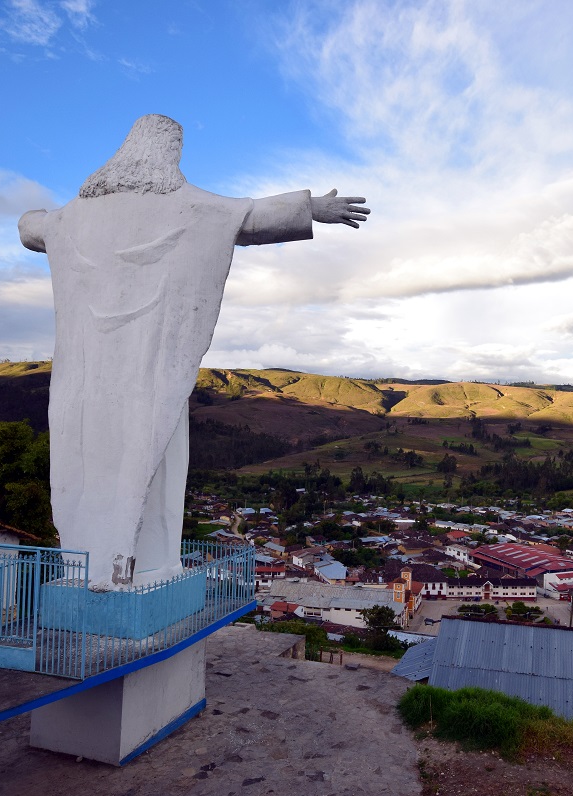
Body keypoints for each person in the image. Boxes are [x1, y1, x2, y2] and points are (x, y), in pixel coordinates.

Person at [18, 114, 369, 588]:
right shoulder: (187, 207)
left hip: (84, 380)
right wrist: (313, 208)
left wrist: (37, 219)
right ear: (168, 153)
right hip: (150, 373)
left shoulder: (70, 217)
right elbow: (248, 217)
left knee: (85, 458)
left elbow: (29, 227)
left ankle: (92, 567)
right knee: (154, 451)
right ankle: (141, 565)